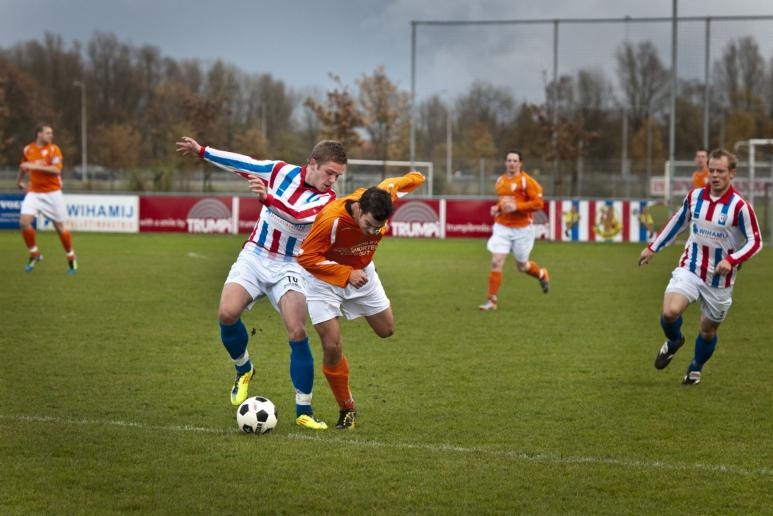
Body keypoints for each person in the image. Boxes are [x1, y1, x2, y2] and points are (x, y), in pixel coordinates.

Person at [176, 136, 346, 430]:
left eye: (338, 176)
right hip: (256, 254)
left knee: (297, 330)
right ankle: (244, 368)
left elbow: (298, 215)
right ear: (312, 164)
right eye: (330, 173)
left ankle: (304, 410)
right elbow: (244, 164)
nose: (333, 181)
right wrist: (202, 151)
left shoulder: (327, 200)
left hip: (291, 264)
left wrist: (268, 199)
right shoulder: (279, 171)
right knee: (227, 313)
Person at [297, 171, 425, 429]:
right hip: (324, 280)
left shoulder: (381, 197)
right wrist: (345, 274)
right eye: (368, 224)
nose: (372, 231)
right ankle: (347, 409)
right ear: (358, 208)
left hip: (363, 275)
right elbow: (306, 258)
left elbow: (397, 183)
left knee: (386, 330)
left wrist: (418, 177)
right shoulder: (330, 219)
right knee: (332, 346)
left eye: (378, 227)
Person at [639, 148, 762, 385]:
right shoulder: (695, 197)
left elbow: (755, 242)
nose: (714, 175)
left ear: (732, 173)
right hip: (691, 268)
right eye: (711, 170)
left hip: (720, 281)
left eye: (720, 171)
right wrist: (653, 248)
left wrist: (732, 260)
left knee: (707, 331)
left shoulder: (740, 207)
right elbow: (678, 222)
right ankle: (675, 341)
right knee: (670, 312)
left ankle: (696, 367)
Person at [479, 150, 550, 311]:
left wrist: (517, 206)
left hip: (522, 229)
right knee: (496, 261)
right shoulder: (500, 181)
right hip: (502, 227)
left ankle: (541, 274)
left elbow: (538, 203)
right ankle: (491, 300)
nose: (511, 163)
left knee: (522, 266)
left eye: (514, 161)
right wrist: (497, 208)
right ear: (505, 163)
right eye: (509, 160)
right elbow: (503, 202)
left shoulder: (527, 182)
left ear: (520, 164)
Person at [17, 123, 77, 274]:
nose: (51, 135)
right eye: (48, 133)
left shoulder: (54, 149)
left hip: (53, 193)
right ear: (39, 134)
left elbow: (56, 169)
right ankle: (34, 253)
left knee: (60, 228)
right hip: (34, 192)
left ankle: (71, 256)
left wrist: (34, 166)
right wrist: (19, 181)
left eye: (51, 133)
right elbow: (23, 166)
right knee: (24, 222)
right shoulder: (28, 149)